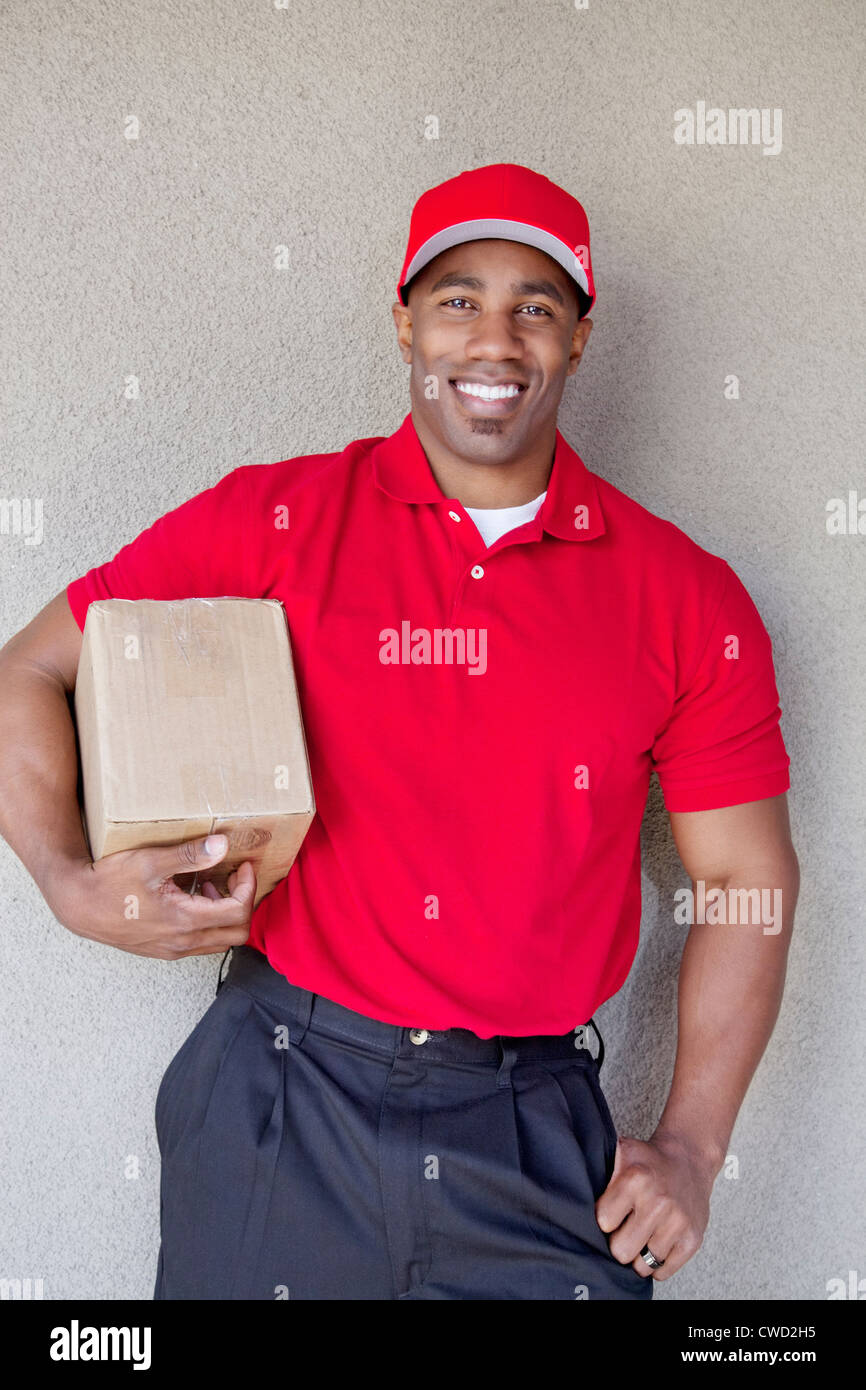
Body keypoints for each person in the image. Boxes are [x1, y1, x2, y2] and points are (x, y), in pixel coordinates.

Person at [0, 163, 799, 1300]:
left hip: (528, 1134)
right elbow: (24, 670)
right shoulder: (272, 521)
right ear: (404, 323)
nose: (493, 339)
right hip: (279, 1095)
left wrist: (691, 1145)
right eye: (456, 299)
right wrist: (66, 879)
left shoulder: (685, 597)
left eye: (534, 305)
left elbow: (744, 877)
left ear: (578, 337)